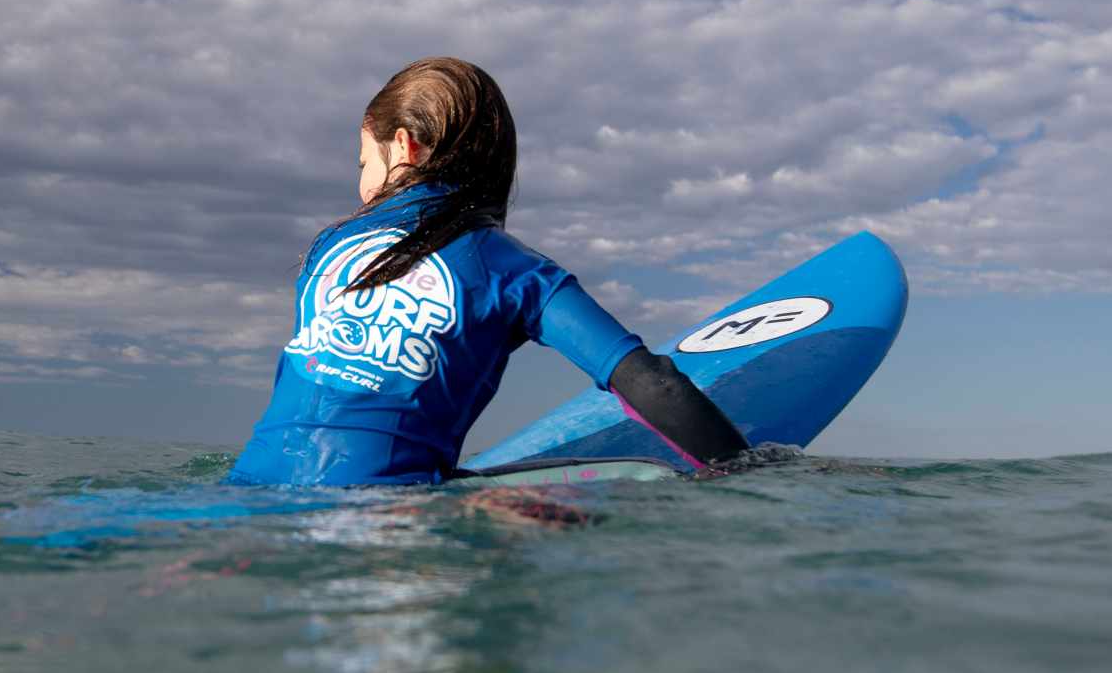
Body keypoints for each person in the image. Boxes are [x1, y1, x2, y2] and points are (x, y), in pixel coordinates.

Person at [228, 58, 748, 486]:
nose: (362, 182)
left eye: (364, 162)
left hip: (249, 494)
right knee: (614, 491)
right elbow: (650, 382)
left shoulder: (329, 248)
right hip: (386, 515)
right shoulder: (512, 269)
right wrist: (754, 473)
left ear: (405, 147)